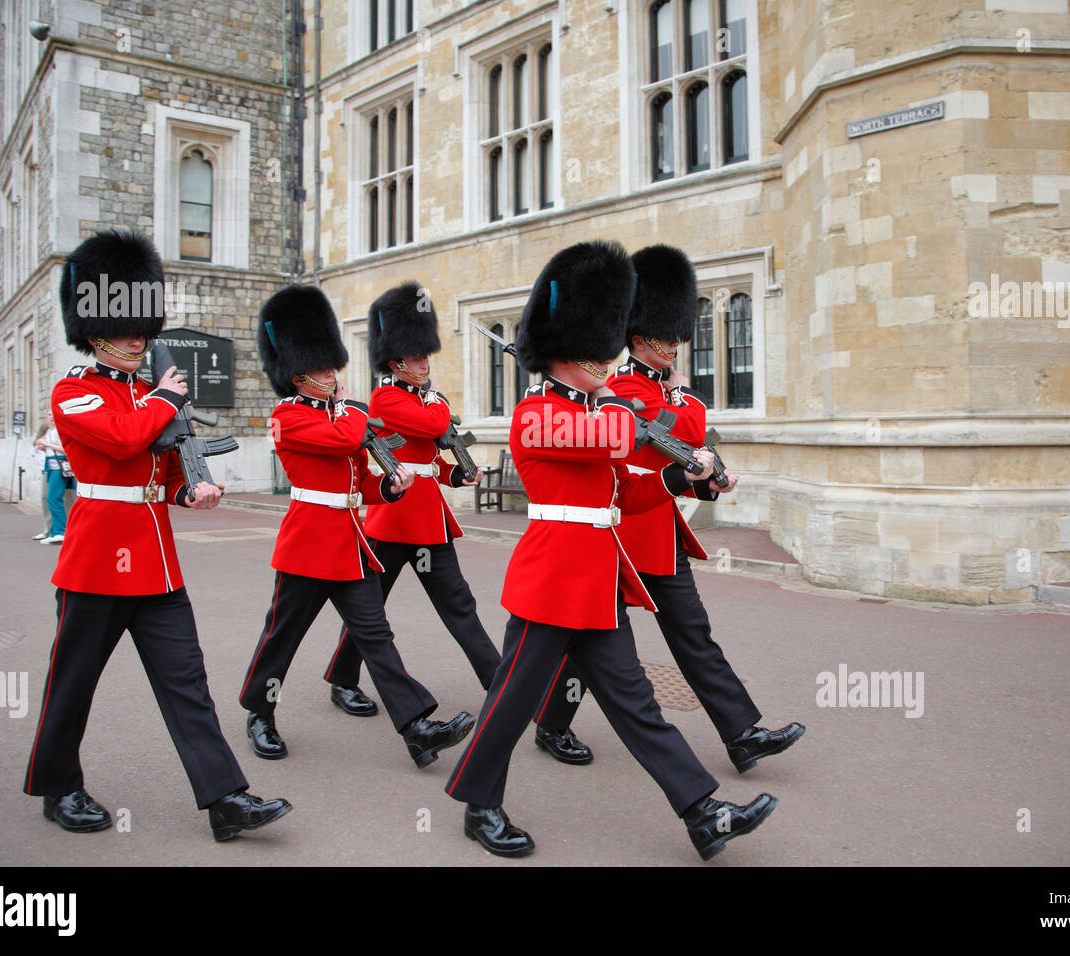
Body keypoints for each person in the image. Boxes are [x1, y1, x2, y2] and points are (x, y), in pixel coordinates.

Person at [444, 239, 777, 861]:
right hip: (552, 583)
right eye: (597, 350)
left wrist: (687, 477)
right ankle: (478, 803)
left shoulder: (599, 411)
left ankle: (704, 814)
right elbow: (617, 437)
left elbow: (633, 490)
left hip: (599, 583)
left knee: (637, 705)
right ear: (566, 353)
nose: (608, 358)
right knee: (511, 703)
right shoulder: (535, 414)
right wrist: (643, 410)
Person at [23, 230, 292, 842]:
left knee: (187, 683)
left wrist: (193, 491)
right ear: (95, 334)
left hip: (157, 565)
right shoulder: (73, 393)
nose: (137, 341)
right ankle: (58, 785)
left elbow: (164, 475)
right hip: (95, 562)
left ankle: (226, 798)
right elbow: (121, 440)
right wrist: (167, 401)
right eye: (125, 332)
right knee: (73, 683)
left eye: (142, 330)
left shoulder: (149, 396)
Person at [533, 245, 807, 772]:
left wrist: (706, 483)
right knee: (593, 646)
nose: (676, 345)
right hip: (621, 532)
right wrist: (684, 396)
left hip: (659, 530)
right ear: (640, 338)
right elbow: (684, 431)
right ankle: (551, 722)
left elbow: (680, 456)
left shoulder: (654, 385)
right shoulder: (627, 385)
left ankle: (742, 733)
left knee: (692, 635)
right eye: (668, 336)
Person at [238, 284, 474, 769]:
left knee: (376, 635)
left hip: (349, 543)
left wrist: (386, 489)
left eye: (333, 367)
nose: (332, 375)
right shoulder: (288, 417)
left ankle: (415, 728)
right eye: (322, 369)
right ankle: (260, 711)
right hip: (307, 544)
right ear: (297, 375)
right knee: (283, 635)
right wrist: (351, 407)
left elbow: (358, 479)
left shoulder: (340, 415)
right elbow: (348, 433)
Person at [323, 281, 503, 718]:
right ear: (396, 360)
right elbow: (435, 422)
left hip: (429, 520)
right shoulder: (387, 398)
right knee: (370, 611)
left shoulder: (419, 399)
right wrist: (437, 397)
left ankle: (500, 684)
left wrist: (456, 475)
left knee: (459, 605)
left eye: (425, 356)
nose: (424, 364)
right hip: (394, 519)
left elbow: (424, 461)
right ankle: (344, 680)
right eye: (417, 357)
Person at [37, 417, 75, 545]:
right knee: (51, 499)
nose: (51, 417)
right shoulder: (48, 432)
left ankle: (60, 531)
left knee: (54, 498)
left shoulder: (59, 432)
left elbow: (66, 450)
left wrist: (47, 444)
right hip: (52, 466)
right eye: (48, 415)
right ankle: (55, 530)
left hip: (60, 467)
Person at [30, 413, 53, 540]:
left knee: (68, 499)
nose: (51, 417)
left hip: (66, 467)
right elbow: (36, 443)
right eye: (49, 414)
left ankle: (66, 530)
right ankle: (48, 529)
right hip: (48, 465)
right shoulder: (45, 427)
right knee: (46, 497)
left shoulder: (66, 424)